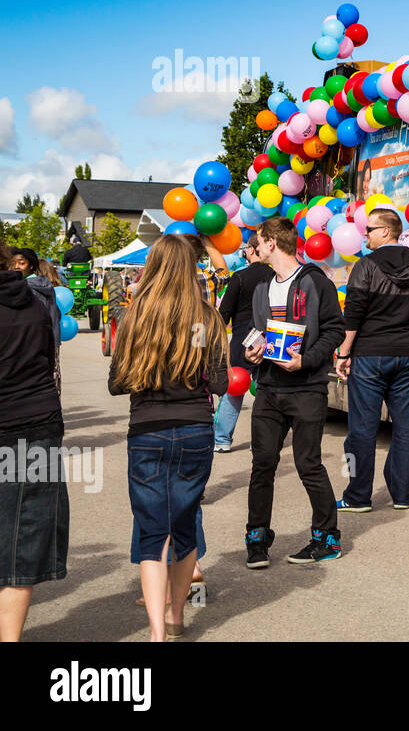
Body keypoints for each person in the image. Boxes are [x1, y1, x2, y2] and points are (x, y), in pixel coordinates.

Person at [109, 235, 226, 641]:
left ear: (154, 266)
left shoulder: (135, 315)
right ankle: (178, 616)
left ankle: (157, 633)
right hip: (196, 428)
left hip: (148, 431)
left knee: (152, 531)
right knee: (185, 525)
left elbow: (116, 383)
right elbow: (222, 382)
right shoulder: (206, 319)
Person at [244, 216, 346, 567]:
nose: (254, 246)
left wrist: (307, 360)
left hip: (306, 388)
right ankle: (256, 538)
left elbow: (335, 329)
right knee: (262, 465)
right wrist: (252, 352)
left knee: (308, 464)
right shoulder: (262, 287)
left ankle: (327, 538)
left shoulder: (316, 281)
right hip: (269, 388)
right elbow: (258, 333)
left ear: (271, 243)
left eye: (258, 240)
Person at [334, 207, 409, 512]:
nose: (364, 235)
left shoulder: (365, 267)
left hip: (369, 356)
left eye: (368, 230)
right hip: (408, 355)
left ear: (385, 231)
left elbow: (353, 314)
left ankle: (356, 496)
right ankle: (403, 496)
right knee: (406, 427)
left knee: (360, 431)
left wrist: (343, 352)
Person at [0, 243, 69, 641]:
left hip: (25, 420)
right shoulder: (35, 301)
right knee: (21, 539)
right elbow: (47, 356)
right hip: (37, 423)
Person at [214, 239, 274, 453]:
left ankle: (222, 440)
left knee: (233, 390)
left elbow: (224, 314)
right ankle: (260, 442)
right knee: (265, 392)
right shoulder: (275, 276)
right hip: (269, 339)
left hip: (241, 341)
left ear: (250, 250)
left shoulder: (240, 277)